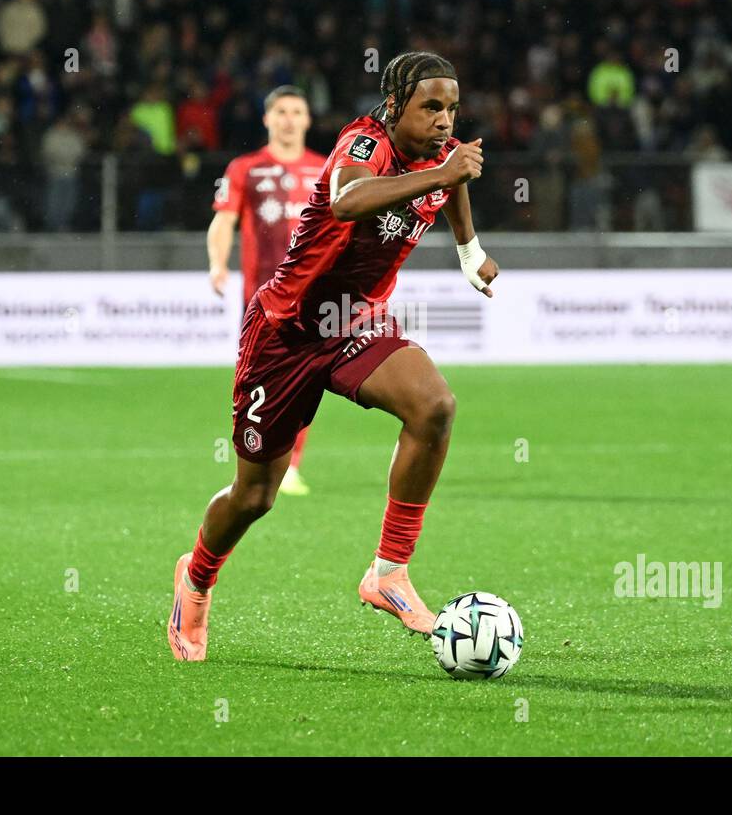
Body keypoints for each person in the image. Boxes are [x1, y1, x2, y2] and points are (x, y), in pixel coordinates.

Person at [168, 51, 498, 661]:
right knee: (255, 496)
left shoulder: (435, 159)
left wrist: (468, 252)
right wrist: (445, 172)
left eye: (452, 108)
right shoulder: (364, 143)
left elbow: (451, 187)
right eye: (431, 106)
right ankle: (197, 577)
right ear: (397, 105)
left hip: (355, 323)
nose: (445, 119)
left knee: (435, 407)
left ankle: (389, 572)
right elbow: (348, 200)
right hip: (284, 333)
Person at [207, 85, 326, 496]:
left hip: (316, 297)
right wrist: (217, 263)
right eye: (282, 112)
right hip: (262, 300)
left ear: (308, 119)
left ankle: (291, 465)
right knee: (256, 384)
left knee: (308, 380)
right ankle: (253, 461)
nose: (290, 119)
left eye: (297, 111)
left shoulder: (327, 169)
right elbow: (224, 221)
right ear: (267, 119)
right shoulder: (245, 168)